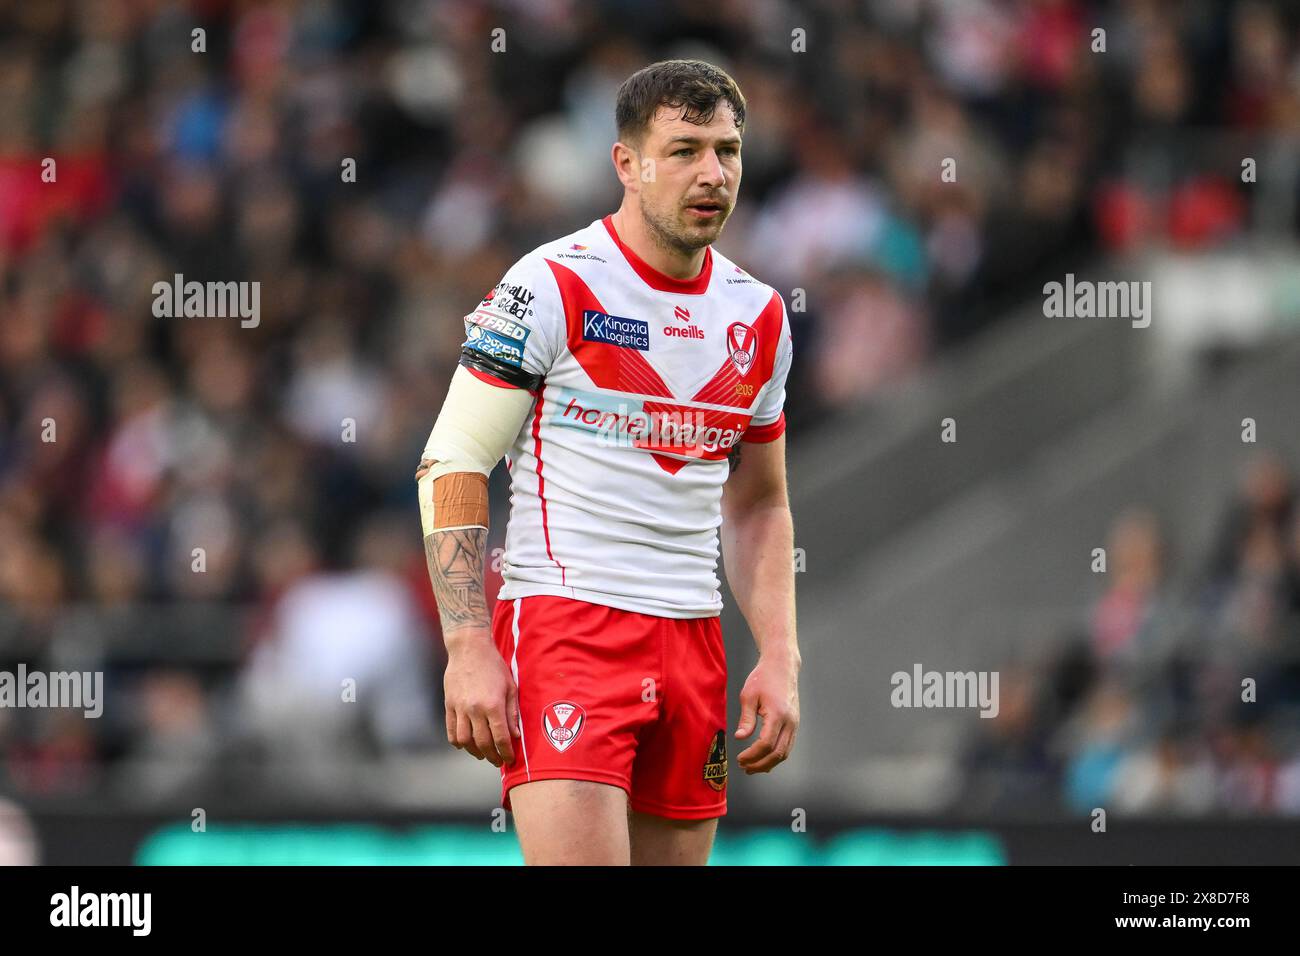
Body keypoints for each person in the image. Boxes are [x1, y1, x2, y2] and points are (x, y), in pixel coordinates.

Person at [415, 59, 800, 865]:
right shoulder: (551, 284)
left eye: (727, 151)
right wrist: (467, 643)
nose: (713, 174)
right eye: (685, 150)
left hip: (694, 640)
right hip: (569, 629)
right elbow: (452, 461)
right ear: (628, 163)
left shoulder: (759, 314)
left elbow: (758, 502)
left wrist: (779, 651)